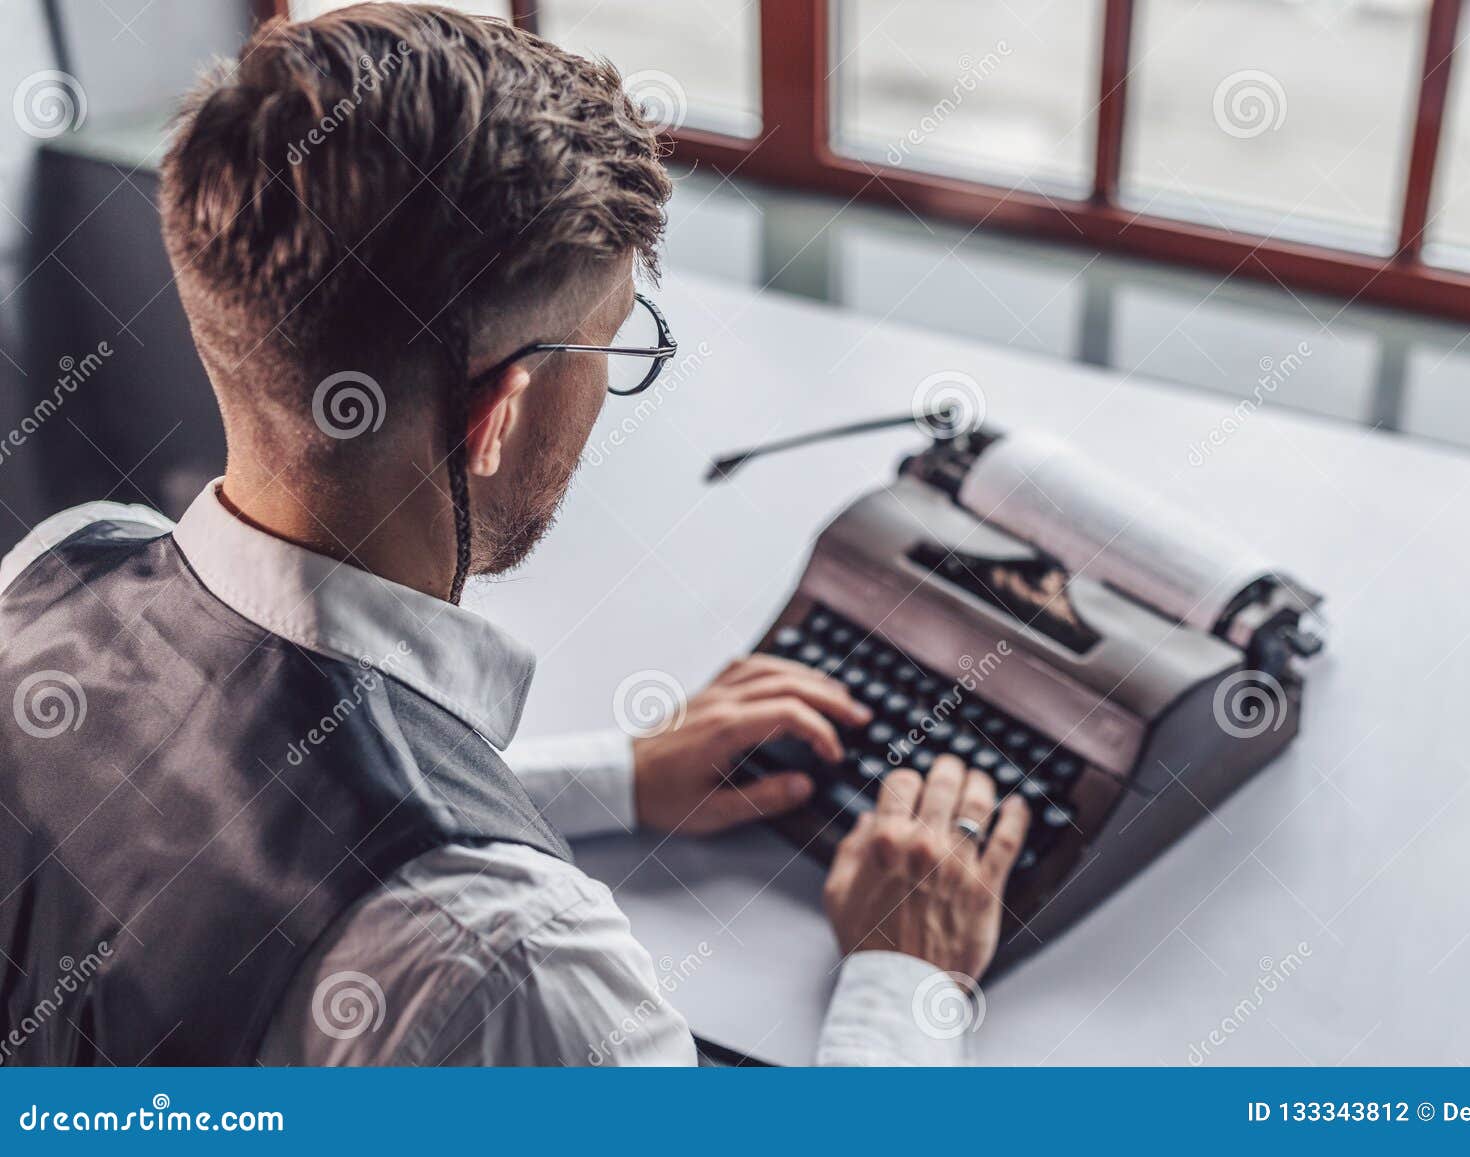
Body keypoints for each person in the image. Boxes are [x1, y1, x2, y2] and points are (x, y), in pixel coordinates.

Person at [0, 2, 1028, 1066]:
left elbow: (218, 822)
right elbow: (400, 899)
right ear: (500, 413)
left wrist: (617, 775)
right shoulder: (515, 970)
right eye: (612, 348)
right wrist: (910, 972)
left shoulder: (57, 572)